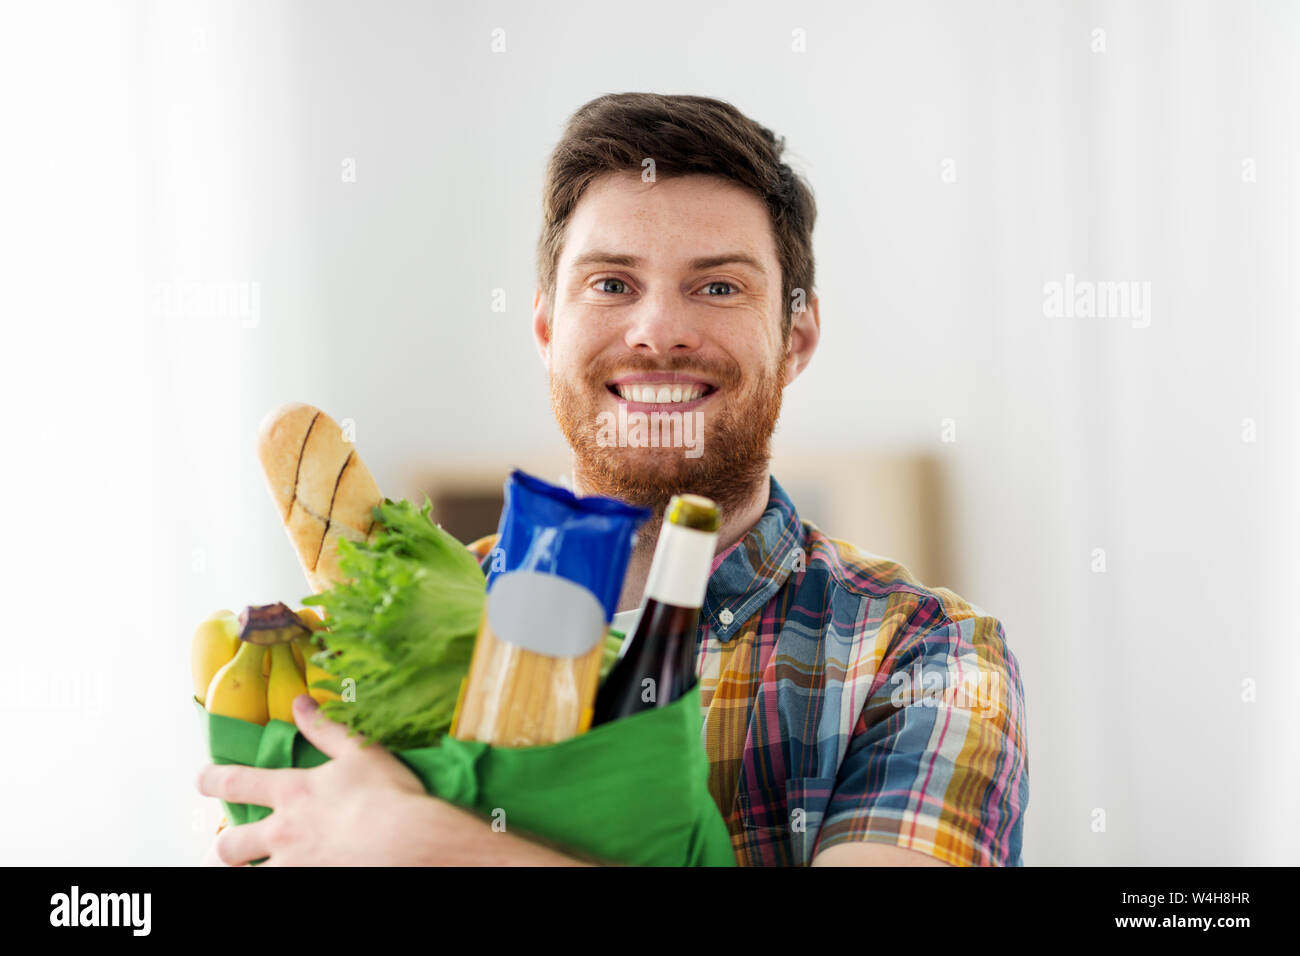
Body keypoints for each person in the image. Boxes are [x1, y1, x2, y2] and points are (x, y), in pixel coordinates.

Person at [199, 92, 1029, 867]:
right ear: (545, 327)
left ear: (797, 336)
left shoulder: (925, 655)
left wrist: (430, 844)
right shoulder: (373, 638)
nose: (658, 331)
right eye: (611, 284)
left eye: (718, 285)